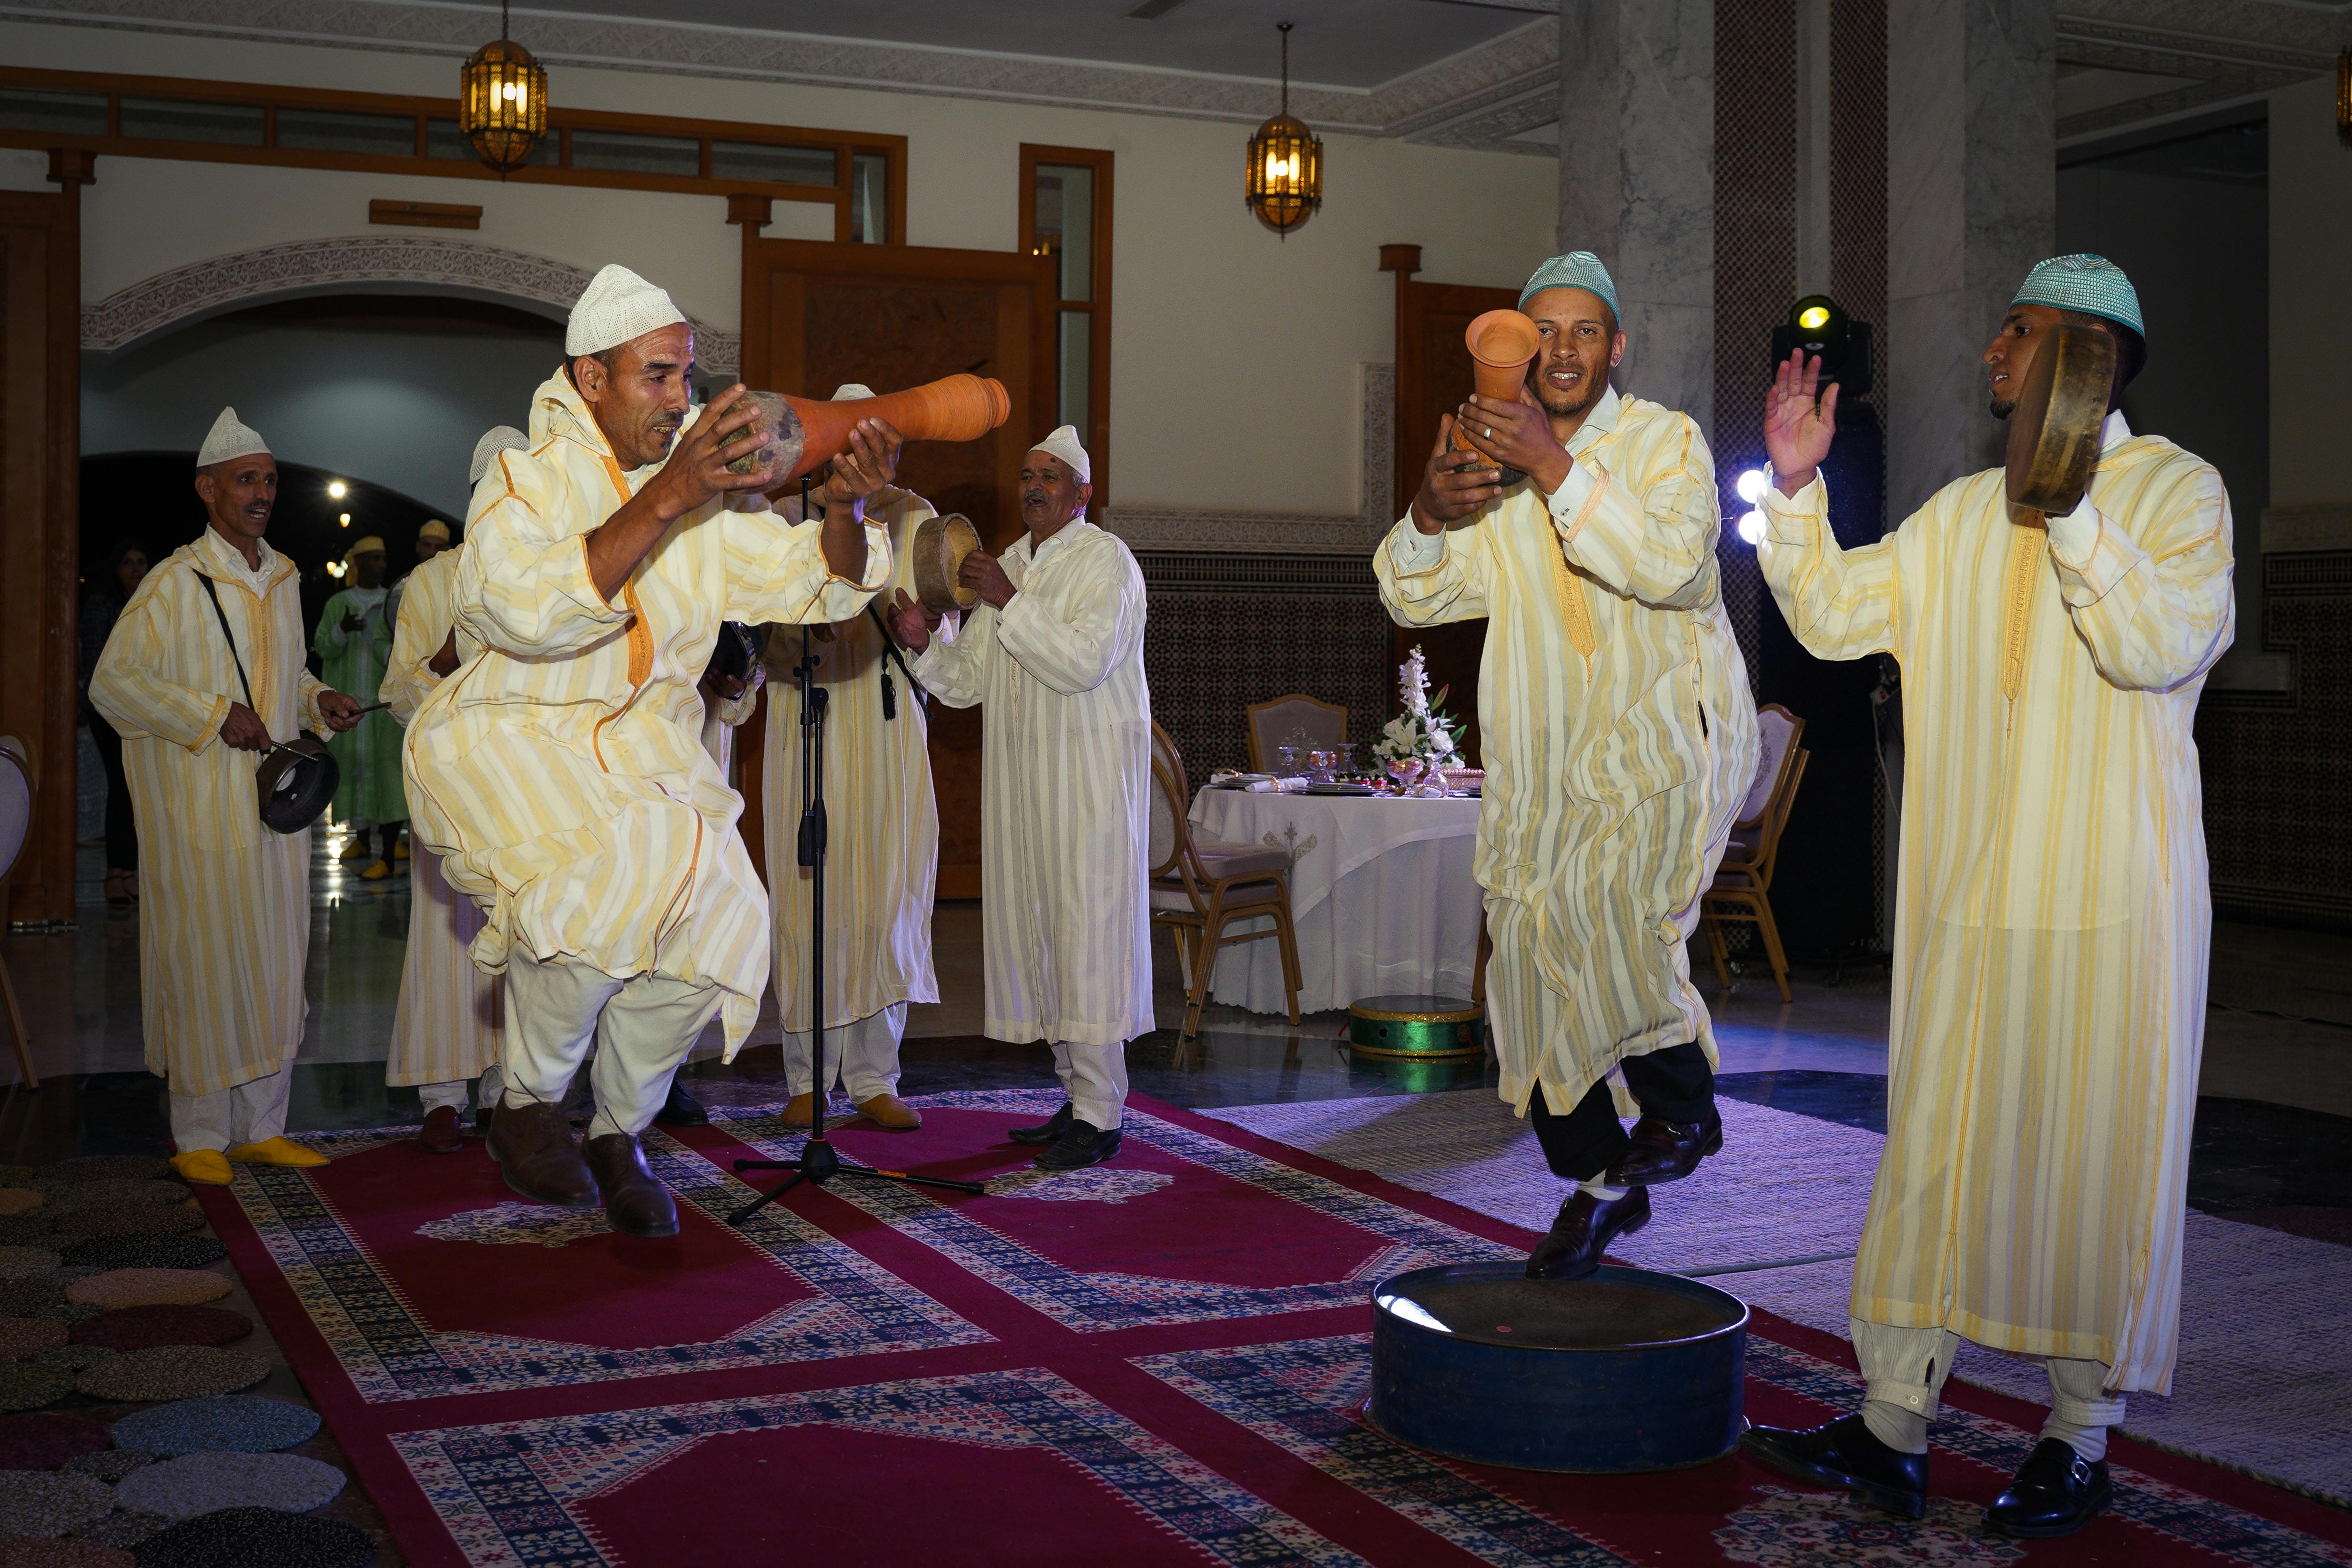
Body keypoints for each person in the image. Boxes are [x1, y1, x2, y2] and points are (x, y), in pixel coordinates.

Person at [1739, 255, 2232, 1539]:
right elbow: (1839, 616)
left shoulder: (2178, 492)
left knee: (2094, 1162)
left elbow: (2156, 642)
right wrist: (1796, 490)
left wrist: (2065, 504)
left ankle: (2079, 1435)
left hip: (2112, 901)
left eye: (2014, 335)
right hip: (1962, 896)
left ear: (2088, 356)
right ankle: (1892, 1421)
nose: (1987, 356)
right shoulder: (1961, 510)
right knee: (1937, 1157)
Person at [405, 264, 898, 1238]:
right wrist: (670, 494)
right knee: (604, 881)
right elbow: (520, 611)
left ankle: (618, 1130)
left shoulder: (711, 504)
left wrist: (842, 507)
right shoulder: (526, 479)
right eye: (659, 377)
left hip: (650, 756)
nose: (684, 399)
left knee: (726, 924)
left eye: (687, 377)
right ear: (590, 379)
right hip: (516, 734)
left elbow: (817, 586)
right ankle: (527, 1101)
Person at [1374, 251, 1758, 1280]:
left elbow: (1675, 568)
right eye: (1542, 329)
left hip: (1658, 739)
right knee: (1531, 962)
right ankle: (1599, 1183)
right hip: (1543, 756)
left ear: (1615, 347)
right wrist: (1426, 511)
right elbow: (1416, 599)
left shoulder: (1661, 441)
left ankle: (1682, 1111)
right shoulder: (1487, 457)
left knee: (1616, 916)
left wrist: (1551, 463)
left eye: (1584, 329)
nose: (1561, 348)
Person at [90, 408, 364, 1185]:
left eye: (271, 481)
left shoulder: (282, 577)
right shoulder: (174, 584)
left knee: (277, 960)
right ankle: (201, 1132)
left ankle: (261, 1127)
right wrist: (212, 716)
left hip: (273, 812)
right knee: (207, 962)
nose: (263, 493)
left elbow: (285, 675)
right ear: (208, 489)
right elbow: (113, 685)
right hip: (199, 812)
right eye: (248, 480)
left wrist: (317, 701)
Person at [887, 425, 1150, 1171]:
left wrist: (1010, 599)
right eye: (1028, 476)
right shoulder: (1004, 563)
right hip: (1024, 786)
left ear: (1083, 492)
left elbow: (1082, 663)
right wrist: (924, 642)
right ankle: (1074, 1096)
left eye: (1052, 476)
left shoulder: (1107, 563)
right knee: (1045, 933)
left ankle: (1103, 1114)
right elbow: (970, 683)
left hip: (1089, 784)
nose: (1034, 487)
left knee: (1087, 938)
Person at [771, 385, 942, 1134]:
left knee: (888, 897)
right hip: (809, 721)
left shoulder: (920, 520)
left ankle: (875, 1075)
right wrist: (796, 634)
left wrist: (924, 629)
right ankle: (807, 1076)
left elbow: (947, 637)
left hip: (888, 727)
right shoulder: (784, 519)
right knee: (811, 901)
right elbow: (754, 630)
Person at [379, 435, 519, 1154]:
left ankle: (507, 1089)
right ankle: (440, 1090)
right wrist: (444, 657)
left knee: (524, 937)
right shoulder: (434, 580)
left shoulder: (553, 573)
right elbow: (398, 691)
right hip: (453, 785)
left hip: (530, 791)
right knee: (445, 935)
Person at [313, 536, 406, 878]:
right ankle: (363, 841)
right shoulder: (340, 604)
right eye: (374, 559)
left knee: (388, 776)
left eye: (384, 559)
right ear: (360, 563)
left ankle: (388, 852)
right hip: (349, 706)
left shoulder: (392, 601)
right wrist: (343, 629)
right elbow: (322, 646)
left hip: (382, 710)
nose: (381, 565)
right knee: (356, 772)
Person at [80, 540, 150, 909]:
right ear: (116, 568)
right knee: (121, 788)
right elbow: (93, 660)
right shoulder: (101, 604)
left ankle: (128, 872)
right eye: (128, 562)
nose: (136, 568)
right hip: (108, 708)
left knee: (137, 790)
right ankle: (116, 874)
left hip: (145, 708)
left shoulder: (155, 603)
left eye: (142, 562)